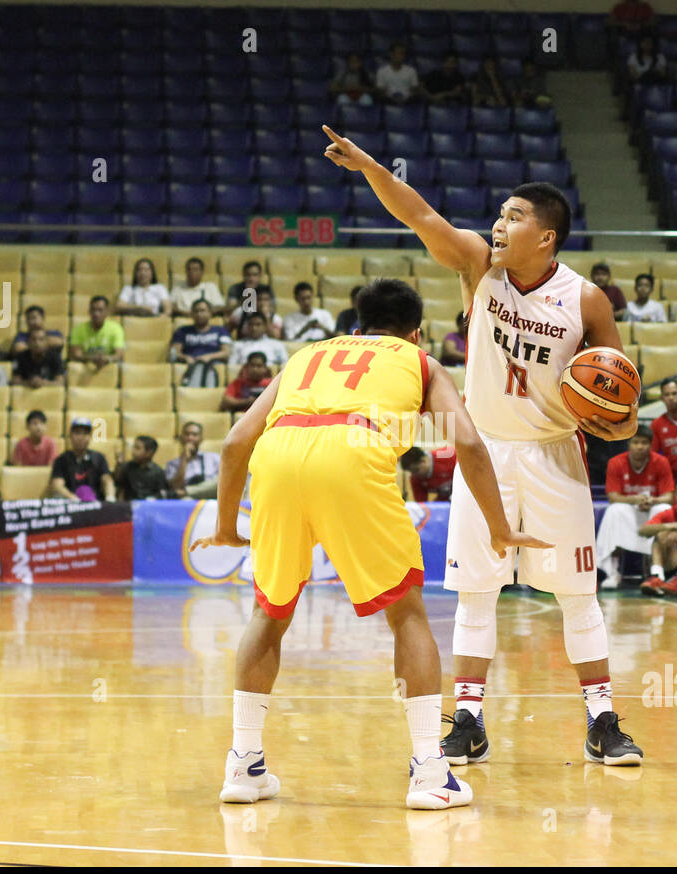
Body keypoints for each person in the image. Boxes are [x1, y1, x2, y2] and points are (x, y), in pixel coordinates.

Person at [321, 125, 644, 767]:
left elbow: (622, 398)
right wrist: (369, 167)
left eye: (515, 216)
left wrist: (620, 425)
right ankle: (468, 719)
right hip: (485, 450)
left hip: (557, 451)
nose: (499, 224)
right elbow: (420, 214)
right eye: (499, 213)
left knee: (578, 593)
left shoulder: (585, 299)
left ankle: (602, 721)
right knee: (477, 592)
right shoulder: (478, 266)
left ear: (546, 236)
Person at [190, 278, 547, 809]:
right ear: (416, 333)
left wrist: (223, 525)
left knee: (269, 612)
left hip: (279, 454)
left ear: (355, 326)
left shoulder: (307, 355)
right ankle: (430, 771)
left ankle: (243, 765)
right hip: (354, 452)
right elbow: (468, 442)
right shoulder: (421, 362)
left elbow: (237, 439)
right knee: (407, 615)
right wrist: (499, 526)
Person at [594, 424, 674, 588]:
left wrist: (652, 501)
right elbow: (613, 497)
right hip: (630, 509)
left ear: (651, 445)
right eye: (636, 442)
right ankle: (613, 572)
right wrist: (635, 500)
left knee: (664, 509)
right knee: (614, 510)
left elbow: (669, 496)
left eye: (644, 443)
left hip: (651, 509)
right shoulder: (616, 462)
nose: (640, 447)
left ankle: (657, 571)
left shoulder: (661, 462)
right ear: (629, 444)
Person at [49, 417, 114, 501]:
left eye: (85, 433)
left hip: (95, 503)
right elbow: (57, 485)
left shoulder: (99, 458)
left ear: (90, 437)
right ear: (70, 436)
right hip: (71, 503)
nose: (81, 437)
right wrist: (73, 499)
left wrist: (110, 496)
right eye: (77, 433)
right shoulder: (61, 460)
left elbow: (107, 480)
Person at [170, 300, 231, 387]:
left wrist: (209, 357)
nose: (199, 314)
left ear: (210, 313)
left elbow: (226, 353)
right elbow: (175, 353)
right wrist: (185, 357)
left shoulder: (220, 330)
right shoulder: (182, 331)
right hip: (190, 367)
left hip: (213, 366)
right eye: (196, 311)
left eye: (202, 311)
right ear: (192, 314)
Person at [165, 421, 220, 499]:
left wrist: (184, 492)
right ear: (181, 438)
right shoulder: (172, 464)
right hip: (189, 499)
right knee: (184, 500)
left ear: (201, 439)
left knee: (220, 482)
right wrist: (184, 460)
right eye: (186, 434)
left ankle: (186, 492)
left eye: (194, 435)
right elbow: (175, 488)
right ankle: (187, 493)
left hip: (212, 496)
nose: (190, 438)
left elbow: (223, 483)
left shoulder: (214, 458)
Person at [69, 296, 125, 369]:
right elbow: (76, 354)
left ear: (107, 312)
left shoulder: (116, 329)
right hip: (86, 366)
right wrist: (93, 359)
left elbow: (118, 355)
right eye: (93, 310)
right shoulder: (78, 329)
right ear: (89, 312)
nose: (96, 314)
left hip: (108, 366)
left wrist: (105, 359)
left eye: (100, 310)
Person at [115, 435, 170, 500]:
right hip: (130, 505)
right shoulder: (127, 467)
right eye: (133, 447)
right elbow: (119, 485)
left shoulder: (158, 471)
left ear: (149, 453)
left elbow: (162, 493)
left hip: (149, 506)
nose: (133, 451)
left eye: (137, 448)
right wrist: (119, 465)